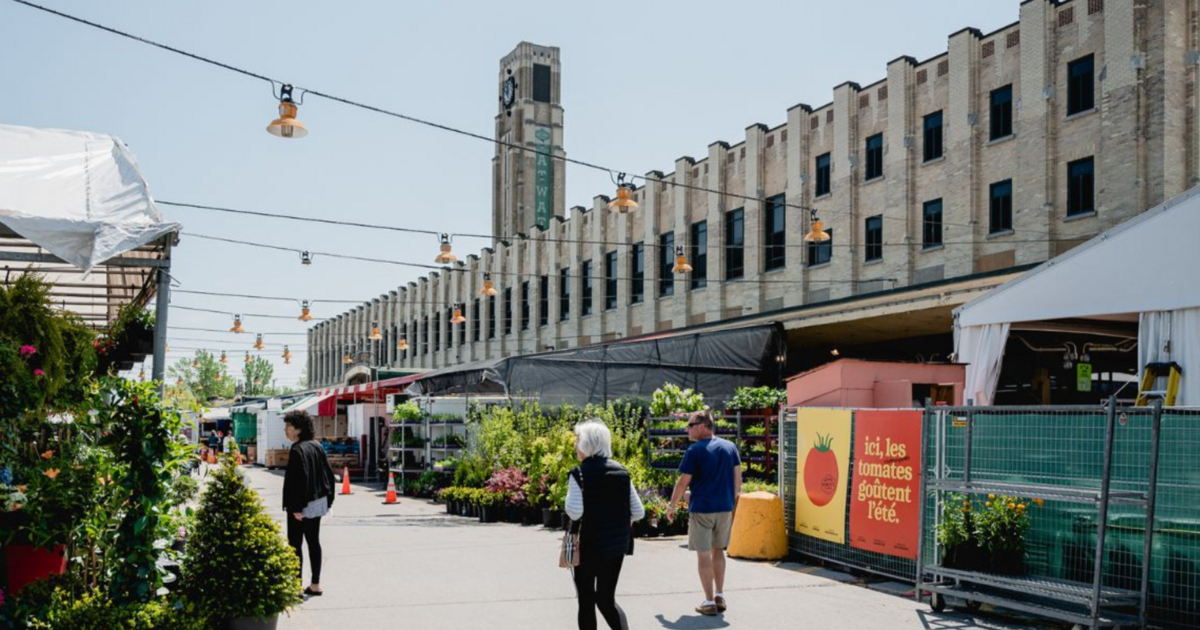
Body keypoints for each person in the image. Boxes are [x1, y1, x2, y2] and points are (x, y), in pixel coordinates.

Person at [565, 420, 645, 630]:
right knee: (606, 599)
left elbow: (575, 511)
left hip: (587, 546)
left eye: (578, 440)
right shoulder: (621, 472)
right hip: (616, 546)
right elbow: (638, 512)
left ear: (586, 444)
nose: (575, 445)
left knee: (586, 601)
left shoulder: (579, 473)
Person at [668, 410, 741, 616]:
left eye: (690, 425)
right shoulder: (730, 447)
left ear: (702, 426)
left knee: (703, 554)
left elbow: (683, 481)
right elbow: (737, 480)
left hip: (702, 509)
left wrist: (672, 505)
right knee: (718, 551)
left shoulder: (695, 450)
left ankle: (708, 601)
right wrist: (731, 502)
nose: (687, 429)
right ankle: (719, 595)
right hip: (724, 508)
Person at [282, 410, 336, 596]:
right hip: (318, 501)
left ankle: (296, 586)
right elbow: (328, 474)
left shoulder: (298, 449)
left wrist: (296, 507)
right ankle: (315, 584)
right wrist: (329, 499)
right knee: (314, 541)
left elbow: (299, 480)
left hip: (301, 504)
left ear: (299, 429)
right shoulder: (317, 446)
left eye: (289, 426)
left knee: (295, 543)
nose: (286, 430)